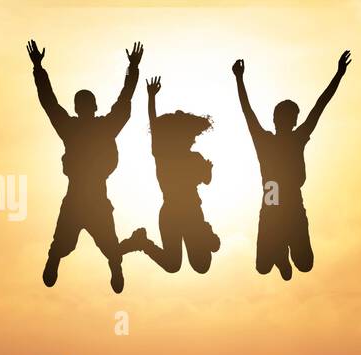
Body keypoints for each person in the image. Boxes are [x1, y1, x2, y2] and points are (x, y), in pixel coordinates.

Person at [28, 39, 142, 293]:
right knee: (70, 243)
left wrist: (38, 68)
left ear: (80, 108)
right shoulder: (95, 128)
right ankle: (65, 260)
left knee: (103, 244)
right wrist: (132, 69)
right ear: (90, 107)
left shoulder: (77, 129)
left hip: (86, 197)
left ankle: (108, 265)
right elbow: (124, 102)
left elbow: (50, 103)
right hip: (82, 197)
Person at [233, 51, 350, 280]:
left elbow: (319, 106)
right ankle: (279, 256)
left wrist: (339, 75)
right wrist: (239, 79)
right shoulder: (273, 140)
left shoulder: (282, 139)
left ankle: (280, 254)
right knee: (264, 267)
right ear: (285, 120)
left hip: (283, 205)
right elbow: (319, 106)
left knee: (304, 265)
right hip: (275, 204)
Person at [121, 76, 219, 274]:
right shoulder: (163, 155)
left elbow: (206, 180)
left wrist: (207, 171)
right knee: (173, 265)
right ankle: (142, 243)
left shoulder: (192, 157)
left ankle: (204, 231)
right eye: (190, 136)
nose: (193, 140)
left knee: (202, 266)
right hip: (172, 213)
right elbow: (155, 126)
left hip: (192, 212)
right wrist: (151, 98)